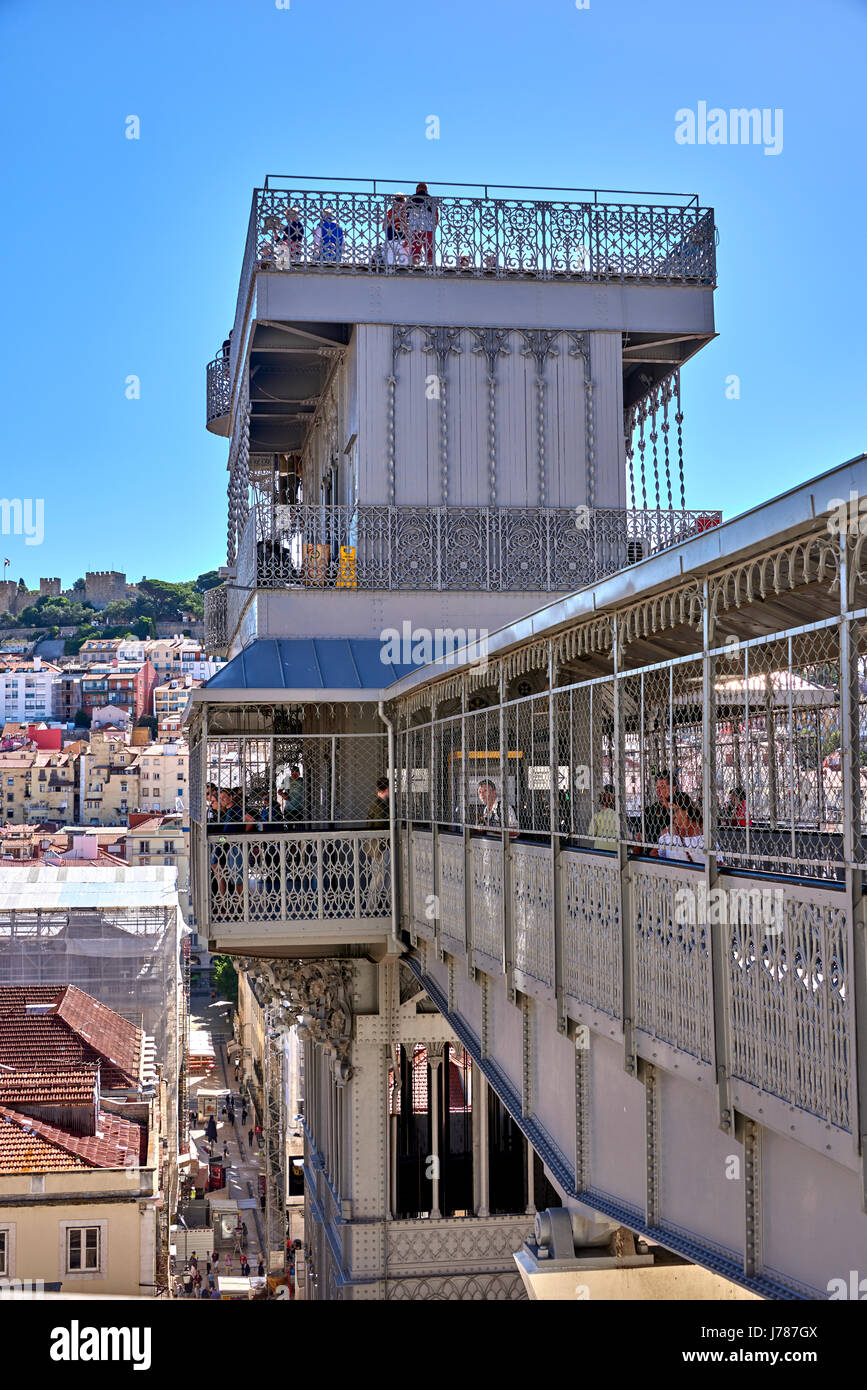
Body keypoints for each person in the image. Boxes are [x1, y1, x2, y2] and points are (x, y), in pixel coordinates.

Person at [654, 791, 705, 866]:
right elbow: (655, 854)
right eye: (669, 811)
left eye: (674, 811)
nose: (672, 816)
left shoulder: (703, 830)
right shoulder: (667, 832)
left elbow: (717, 861)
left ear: (686, 810)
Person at [407, 182, 438, 266]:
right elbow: (436, 214)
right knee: (430, 251)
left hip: (414, 228)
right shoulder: (431, 199)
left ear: (417, 189)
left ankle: (416, 267)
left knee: (416, 251)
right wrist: (435, 226)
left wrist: (407, 226)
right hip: (428, 228)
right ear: (426, 190)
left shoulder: (411, 198)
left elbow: (405, 213)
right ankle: (430, 267)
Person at [588, 785, 618, 851]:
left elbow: (591, 835)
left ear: (601, 803)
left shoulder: (596, 816)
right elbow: (627, 836)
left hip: (600, 850)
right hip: (616, 850)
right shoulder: (618, 816)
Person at [383, 192, 409, 266]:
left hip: (391, 238)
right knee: (404, 264)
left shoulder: (390, 212)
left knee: (389, 263)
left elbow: (384, 228)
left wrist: (392, 220)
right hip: (401, 239)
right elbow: (406, 226)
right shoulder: (404, 212)